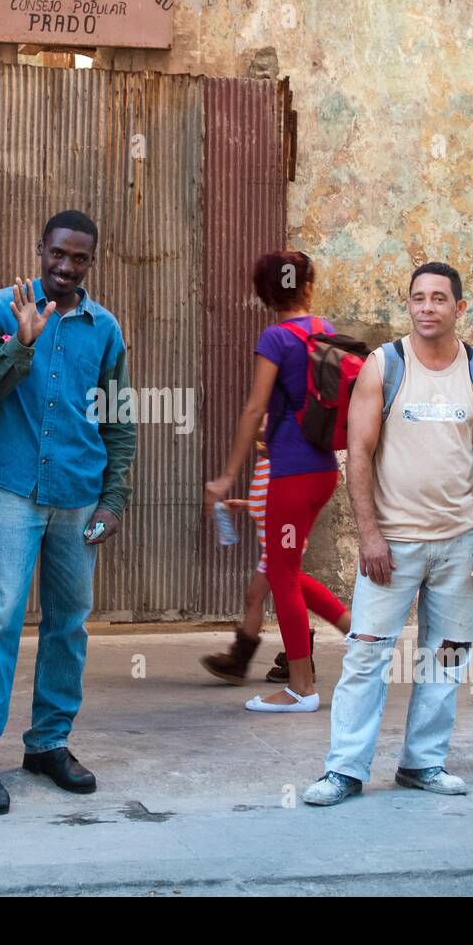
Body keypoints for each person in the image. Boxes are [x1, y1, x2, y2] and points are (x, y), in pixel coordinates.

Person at [304, 261, 473, 806]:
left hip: (460, 543)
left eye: (439, 299)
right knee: (367, 655)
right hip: (392, 546)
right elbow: (360, 454)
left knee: (445, 655)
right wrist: (369, 536)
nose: (427, 308)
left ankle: (423, 763)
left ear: (458, 309)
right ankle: (345, 770)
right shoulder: (384, 365)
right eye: (418, 298)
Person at [0, 210, 136, 815]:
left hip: (78, 493)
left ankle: (48, 743)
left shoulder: (104, 329)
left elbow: (118, 421)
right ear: (40, 249)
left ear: (91, 261)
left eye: (79, 258)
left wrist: (112, 499)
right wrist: (21, 343)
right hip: (11, 489)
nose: (65, 267)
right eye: (57, 254)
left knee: (69, 622)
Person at [204, 251, 352, 713]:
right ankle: (363, 632)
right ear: (308, 286)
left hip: (289, 473)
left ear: (265, 294)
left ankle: (301, 688)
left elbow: (254, 409)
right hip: (325, 470)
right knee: (285, 570)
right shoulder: (324, 332)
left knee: (283, 576)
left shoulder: (275, 338)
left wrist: (228, 473)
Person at [200, 419, 278, 684]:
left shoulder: (280, 462)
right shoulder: (266, 461)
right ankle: (296, 658)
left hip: (280, 547)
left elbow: (283, 501)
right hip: (274, 546)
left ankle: (239, 662)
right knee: (283, 600)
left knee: (255, 598)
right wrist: (245, 505)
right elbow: (266, 500)